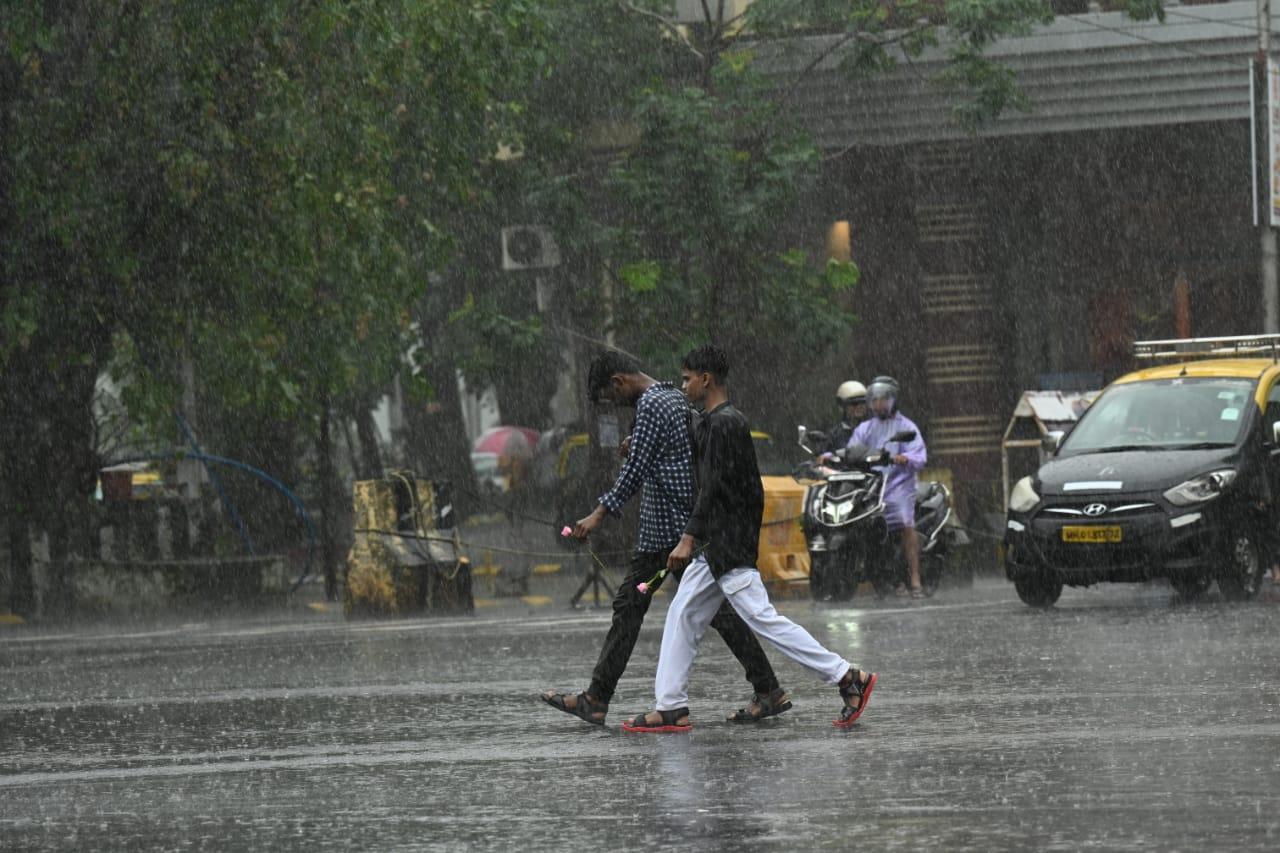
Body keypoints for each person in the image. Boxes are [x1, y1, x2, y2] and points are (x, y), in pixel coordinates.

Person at [621, 345, 876, 734]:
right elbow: (692, 434)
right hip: (716, 546)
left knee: (761, 618)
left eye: (688, 378)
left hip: (728, 543)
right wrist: (640, 446)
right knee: (684, 614)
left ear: (706, 379)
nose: (685, 385)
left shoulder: (727, 424)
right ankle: (670, 706)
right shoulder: (714, 421)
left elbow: (714, 487)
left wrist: (688, 537)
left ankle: (846, 675)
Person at [540, 350, 791, 726]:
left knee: (679, 609)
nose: (617, 406)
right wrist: (637, 445)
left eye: (612, 398)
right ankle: (766, 688)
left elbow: (636, 470)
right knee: (643, 606)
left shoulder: (653, 403)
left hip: (673, 534)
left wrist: (597, 515)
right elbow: (668, 452)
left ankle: (602, 698)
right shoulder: (671, 396)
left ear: (618, 383)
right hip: (667, 531)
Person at [847, 376, 928, 597]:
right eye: (874, 400)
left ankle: (915, 578)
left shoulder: (906, 426)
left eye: (883, 399)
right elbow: (851, 449)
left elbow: (919, 455)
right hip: (872, 486)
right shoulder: (865, 428)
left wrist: (904, 458)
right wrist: (829, 457)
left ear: (893, 400)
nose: (878, 404)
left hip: (899, 484)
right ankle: (878, 574)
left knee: (904, 521)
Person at [823, 380, 868, 453]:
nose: (860, 407)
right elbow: (826, 457)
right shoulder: (835, 435)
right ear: (842, 407)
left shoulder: (873, 428)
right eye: (854, 403)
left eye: (863, 402)